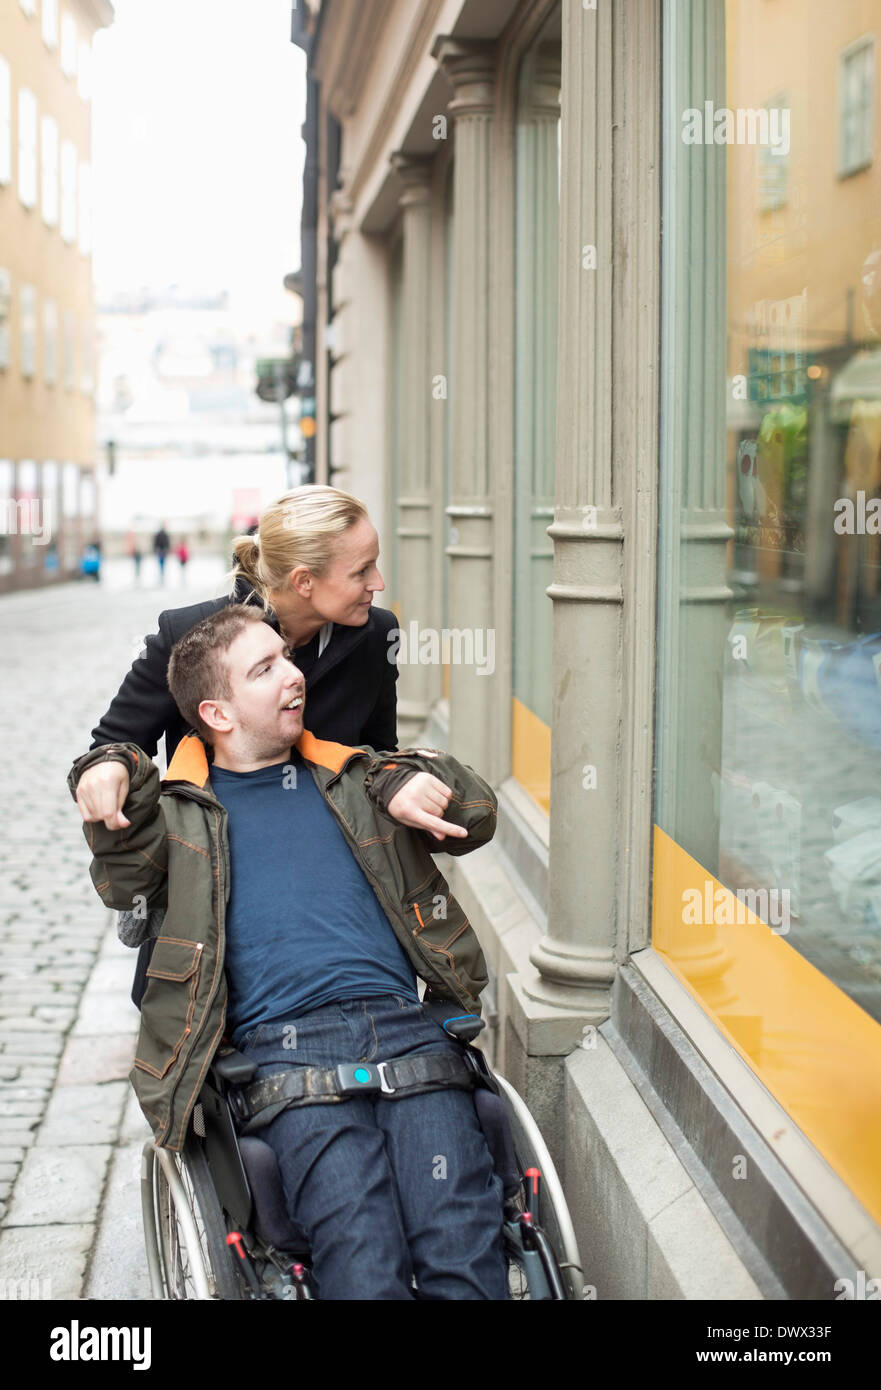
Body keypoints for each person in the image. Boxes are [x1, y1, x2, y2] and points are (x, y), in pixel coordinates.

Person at [68, 605, 508, 1300]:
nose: (293, 676)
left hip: (410, 1036)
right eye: (265, 668)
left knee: (463, 1256)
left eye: (288, 658)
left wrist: (416, 775)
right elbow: (120, 867)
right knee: (364, 1267)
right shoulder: (180, 818)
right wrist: (109, 763)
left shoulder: (358, 783)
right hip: (286, 1060)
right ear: (216, 712)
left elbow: (474, 817)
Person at [75, 486, 400, 1006]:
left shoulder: (377, 634)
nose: (377, 584)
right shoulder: (191, 633)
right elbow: (113, 741)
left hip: (331, 901)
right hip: (215, 903)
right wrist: (108, 768)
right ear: (304, 581)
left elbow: (379, 755)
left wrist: (404, 780)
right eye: (362, 571)